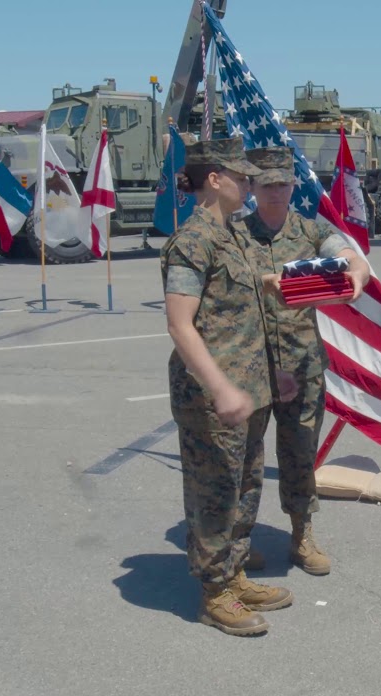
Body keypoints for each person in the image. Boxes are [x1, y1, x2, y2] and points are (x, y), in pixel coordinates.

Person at [160, 136, 301, 637]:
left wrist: (270, 370)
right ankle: (214, 591)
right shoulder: (193, 241)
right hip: (212, 395)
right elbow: (181, 325)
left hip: (250, 386)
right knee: (214, 492)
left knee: (244, 486)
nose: (250, 183)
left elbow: (249, 309)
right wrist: (220, 388)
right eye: (241, 176)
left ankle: (234, 572)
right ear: (214, 179)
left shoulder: (233, 236)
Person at [235, 145, 371, 577]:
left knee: (299, 454)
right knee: (246, 458)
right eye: (267, 183)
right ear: (252, 186)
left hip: (301, 365)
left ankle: (301, 534)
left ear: (294, 185)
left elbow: (348, 255)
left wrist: (357, 272)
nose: (276, 191)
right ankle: (238, 540)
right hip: (251, 366)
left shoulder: (312, 232)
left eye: (283, 183)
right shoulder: (235, 234)